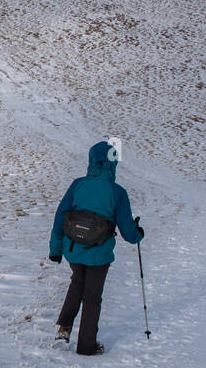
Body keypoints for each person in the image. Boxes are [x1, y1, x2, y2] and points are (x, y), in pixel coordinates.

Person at [48, 141, 144, 355]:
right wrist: (139, 234)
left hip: (73, 248)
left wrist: (55, 249)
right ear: (113, 163)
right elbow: (128, 231)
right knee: (92, 296)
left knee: (76, 284)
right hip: (99, 253)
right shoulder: (117, 192)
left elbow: (60, 216)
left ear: (91, 160)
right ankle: (86, 345)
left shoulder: (77, 185)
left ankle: (64, 330)